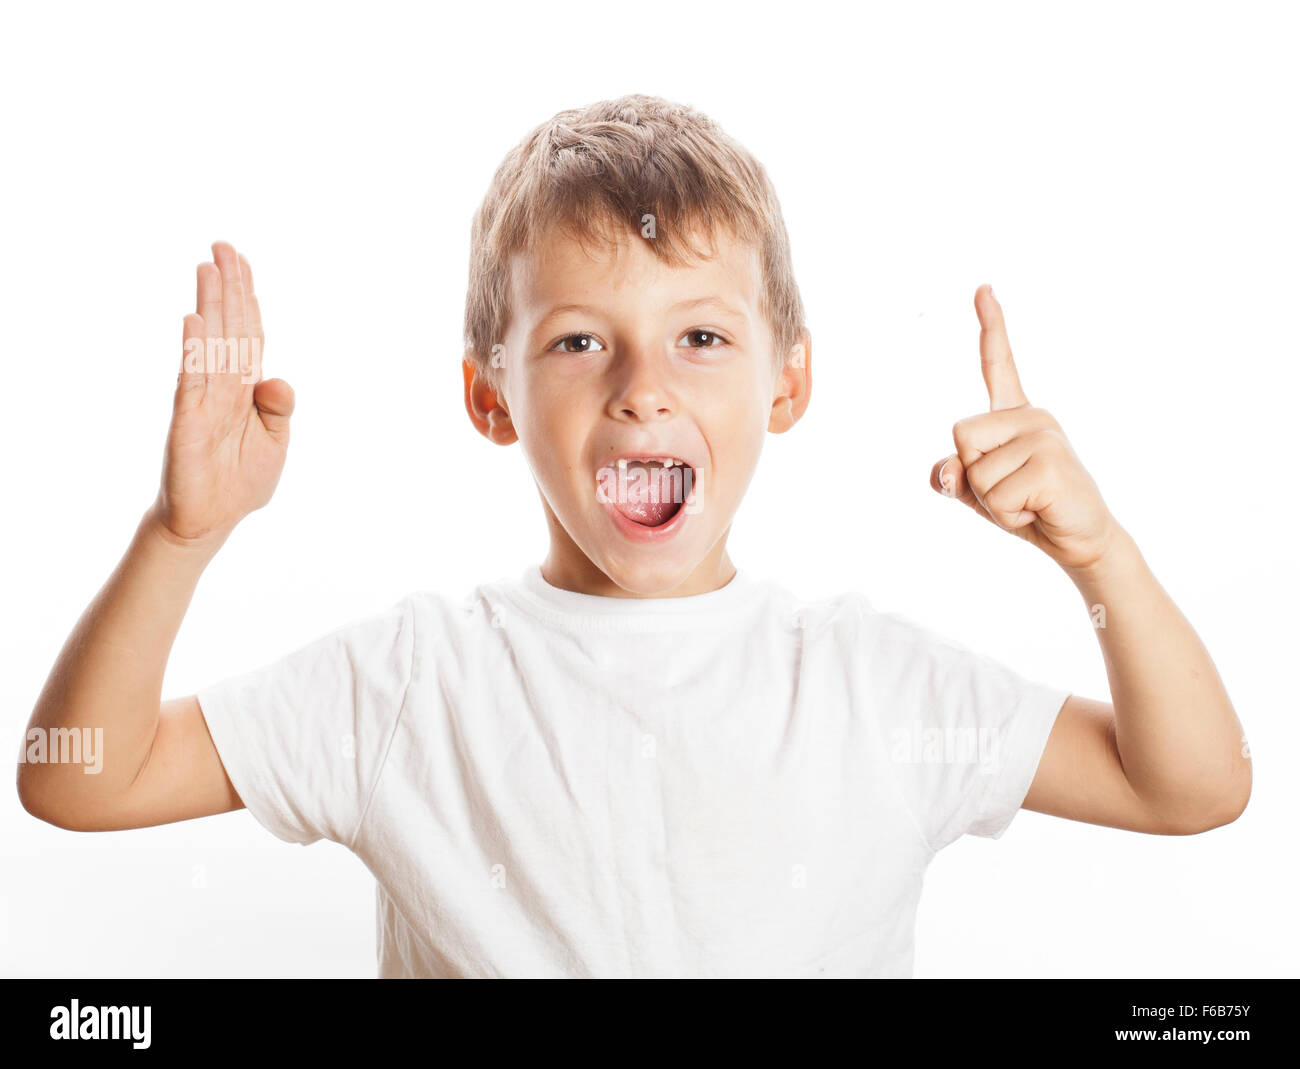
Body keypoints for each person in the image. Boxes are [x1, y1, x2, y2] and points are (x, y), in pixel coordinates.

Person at [17, 94, 1251, 978]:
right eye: (577, 339)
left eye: (701, 336)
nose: (642, 387)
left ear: (788, 384)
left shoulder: (873, 686)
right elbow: (78, 777)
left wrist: (1100, 558)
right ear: (488, 397)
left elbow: (1189, 785)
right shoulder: (408, 685)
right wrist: (181, 538)